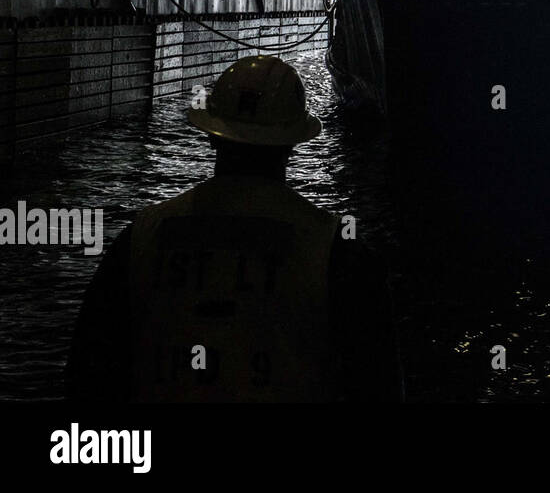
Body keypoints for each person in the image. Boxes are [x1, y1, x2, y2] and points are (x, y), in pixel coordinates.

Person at [66, 56, 403, 402]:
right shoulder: (336, 252)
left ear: (212, 137)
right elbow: (377, 382)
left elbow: (90, 371)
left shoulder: (142, 236)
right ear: (292, 142)